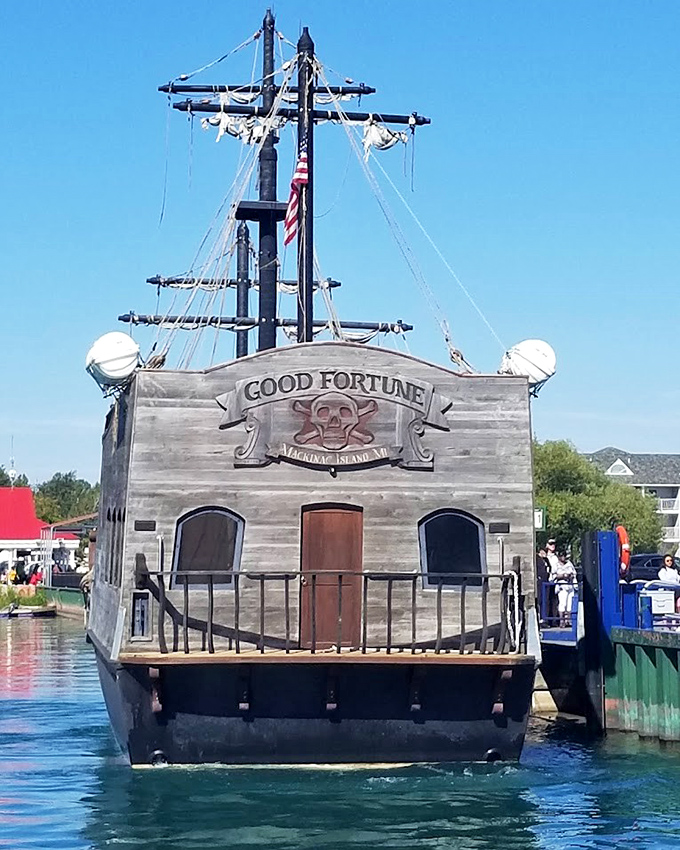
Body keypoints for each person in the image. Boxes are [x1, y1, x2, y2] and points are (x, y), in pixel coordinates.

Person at [551, 552, 577, 628]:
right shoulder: (556, 565)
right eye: (562, 556)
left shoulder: (569, 564)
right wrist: (562, 576)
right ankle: (561, 621)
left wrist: (570, 575)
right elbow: (553, 576)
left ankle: (568, 620)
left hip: (570, 585)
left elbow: (574, 573)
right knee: (563, 603)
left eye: (564, 556)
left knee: (569, 604)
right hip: (562, 586)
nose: (563, 557)